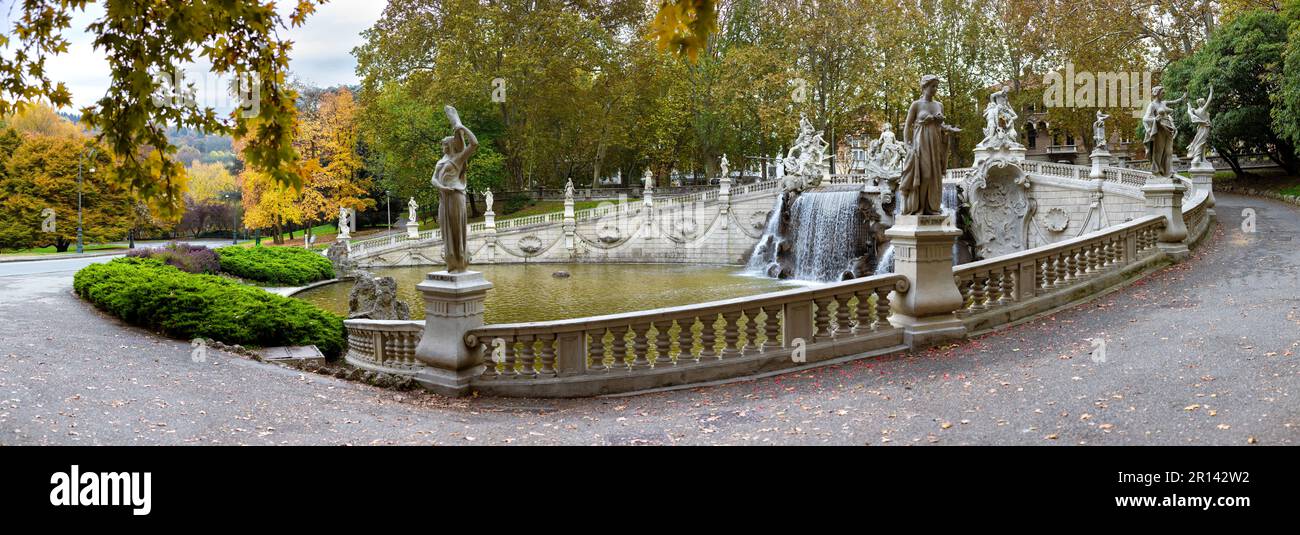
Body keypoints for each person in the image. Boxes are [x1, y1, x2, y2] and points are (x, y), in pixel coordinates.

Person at [899, 75, 961, 215]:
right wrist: (907, 145)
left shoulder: (939, 105)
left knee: (935, 176)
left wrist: (949, 129)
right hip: (921, 142)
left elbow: (941, 125)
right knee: (925, 175)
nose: (935, 89)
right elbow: (907, 126)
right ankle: (919, 208)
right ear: (925, 87)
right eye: (933, 86)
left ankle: (931, 208)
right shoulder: (916, 104)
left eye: (936, 86)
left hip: (935, 142)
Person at [431, 105, 478, 273]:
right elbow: (433, 179)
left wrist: (461, 127)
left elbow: (474, 144)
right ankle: (451, 261)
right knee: (446, 230)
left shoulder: (458, 158)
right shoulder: (440, 162)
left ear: (450, 145)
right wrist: (442, 187)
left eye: (444, 144)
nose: (442, 147)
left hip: (456, 196)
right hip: (444, 197)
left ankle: (460, 261)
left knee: (457, 229)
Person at [1142, 86, 1186, 178]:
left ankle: (1168, 171)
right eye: (1162, 92)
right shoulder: (1152, 105)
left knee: (1168, 151)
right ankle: (1156, 171)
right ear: (1157, 93)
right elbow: (1145, 118)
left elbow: (1175, 102)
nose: (1164, 94)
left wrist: (1183, 97)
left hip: (1168, 129)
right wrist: (1155, 119)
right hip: (1159, 130)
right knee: (1159, 151)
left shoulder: (1164, 103)